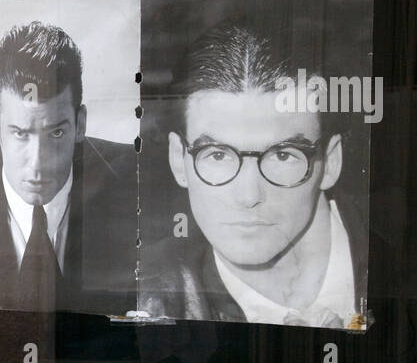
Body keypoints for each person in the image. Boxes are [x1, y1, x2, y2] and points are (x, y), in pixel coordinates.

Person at [139, 20, 368, 328]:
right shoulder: (145, 297)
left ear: (330, 162)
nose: (249, 196)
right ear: (179, 160)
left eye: (282, 155)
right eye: (217, 155)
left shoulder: (415, 266)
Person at [0, 21, 137, 313]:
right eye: (20, 133)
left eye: (56, 133)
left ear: (80, 123)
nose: (37, 162)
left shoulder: (136, 178)